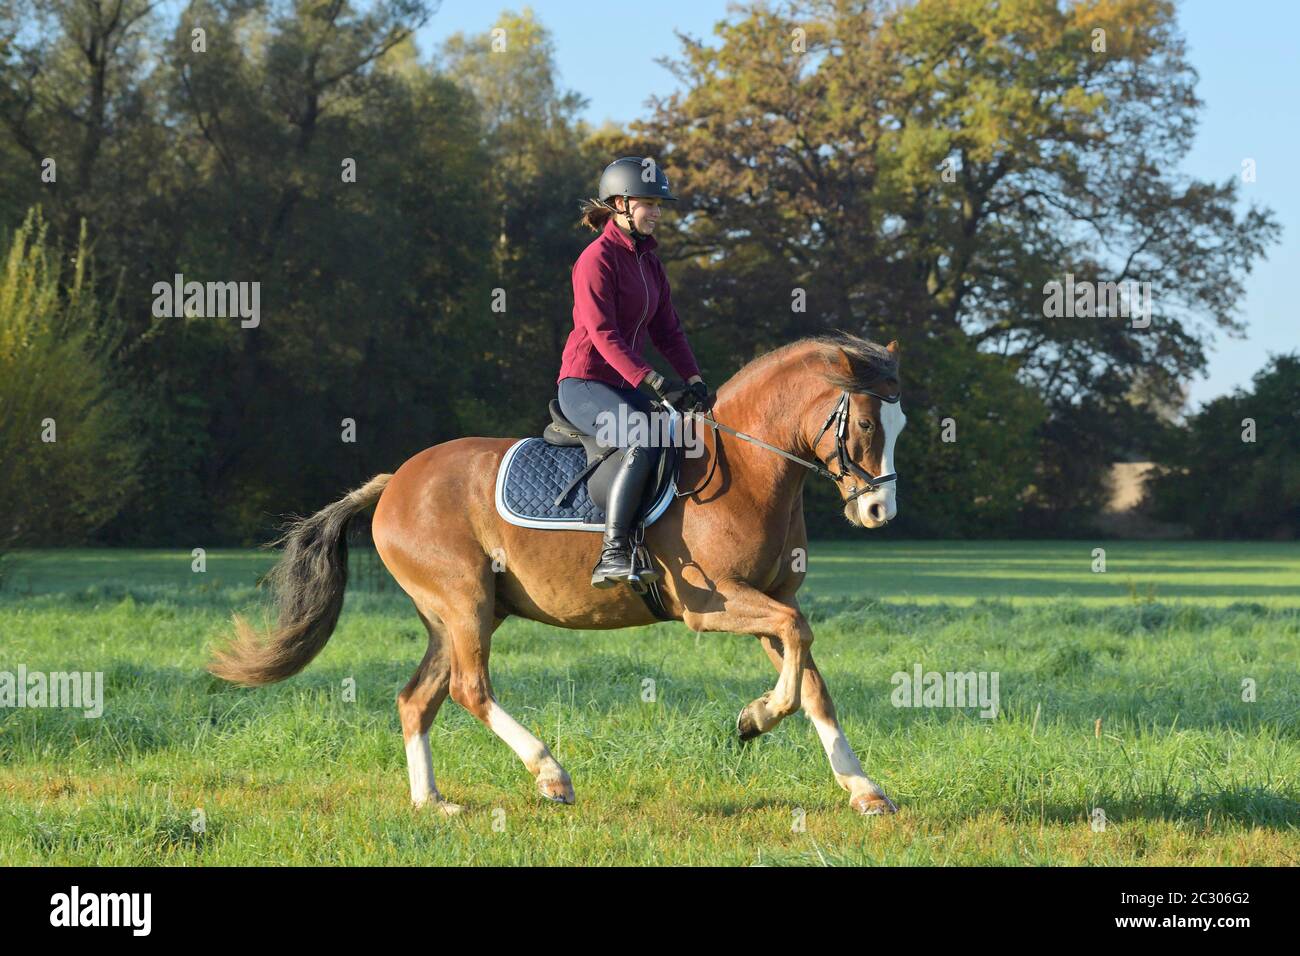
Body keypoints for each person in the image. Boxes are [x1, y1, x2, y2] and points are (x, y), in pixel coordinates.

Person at [557, 156, 711, 589]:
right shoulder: (595, 260)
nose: (658, 212)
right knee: (643, 436)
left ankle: (657, 542)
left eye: (661, 205)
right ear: (621, 204)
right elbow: (601, 333)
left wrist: (695, 379)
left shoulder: (650, 264)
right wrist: (650, 378)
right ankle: (612, 552)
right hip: (585, 383)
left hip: (625, 384)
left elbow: (668, 330)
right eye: (650, 203)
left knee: (681, 433)